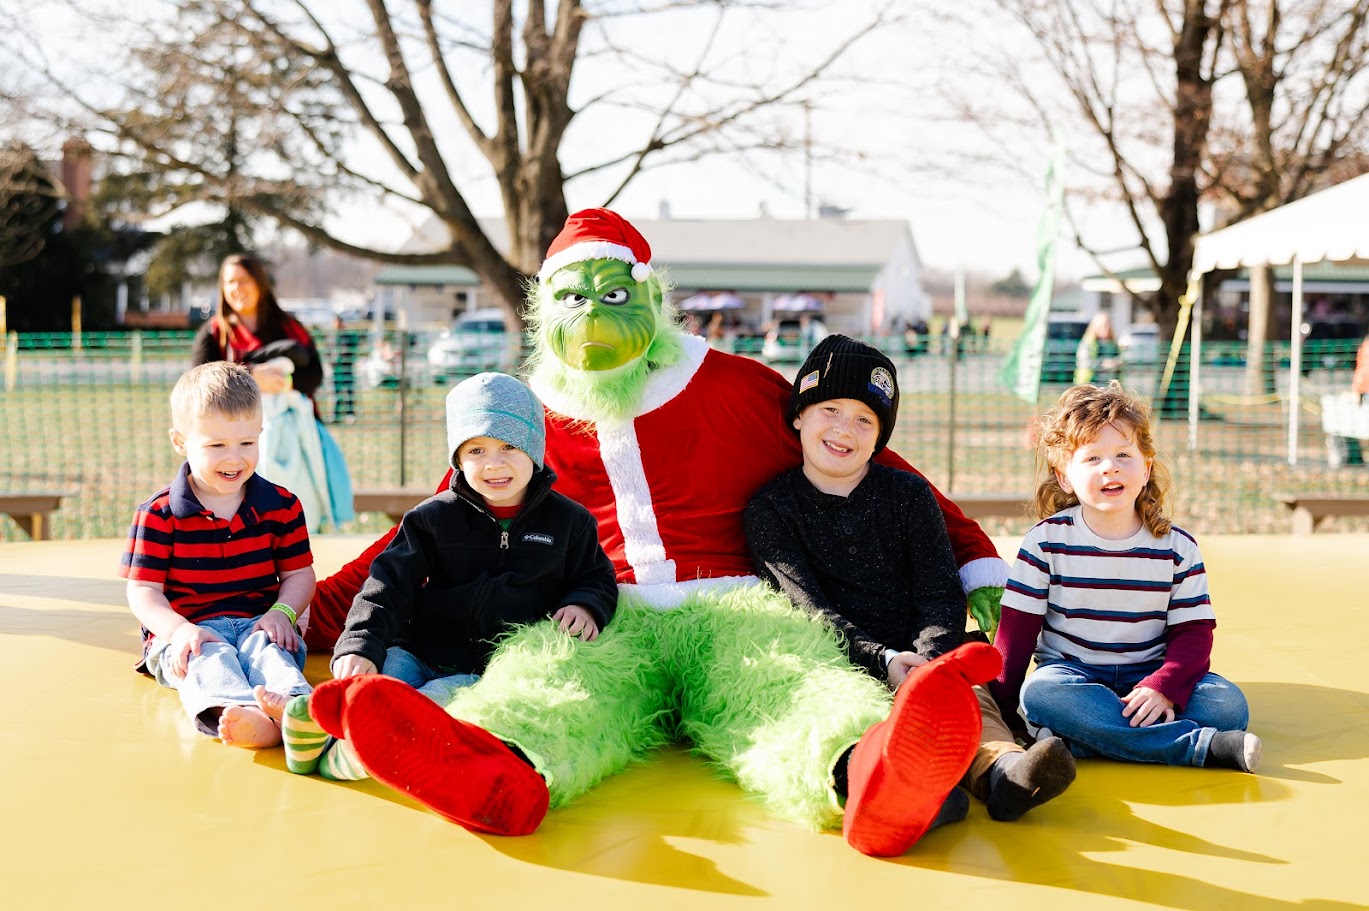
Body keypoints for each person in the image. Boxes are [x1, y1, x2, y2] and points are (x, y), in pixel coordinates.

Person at [301, 209, 1009, 857]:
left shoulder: (732, 386)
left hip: (731, 609)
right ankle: (493, 766)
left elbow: (874, 463)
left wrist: (973, 555)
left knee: (790, 687)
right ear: (546, 309)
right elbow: (430, 531)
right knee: (546, 680)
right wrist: (304, 615)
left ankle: (868, 771)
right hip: (602, 612)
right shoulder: (527, 425)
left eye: (610, 296)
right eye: (571, 299)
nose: (590, 315)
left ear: (649, 297)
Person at [745, 335, 1076, 824]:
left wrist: (929, 659)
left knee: (969, 700)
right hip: (838, 659)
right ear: (800, 414)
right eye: (830, 410)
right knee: (851, 714)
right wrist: (882, 661)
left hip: (923, 653)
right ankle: (911, 785)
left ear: (880, 435)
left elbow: (938, 588)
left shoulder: (908, 495)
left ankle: (1004, 771)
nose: (844, 429)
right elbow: (806, 609)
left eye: (864, 419)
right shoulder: (770, 508)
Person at [282, 372, 618, 780]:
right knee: (377, 684)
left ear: (536, 447)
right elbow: (386, 585)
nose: (494, 463)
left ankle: (354, 754)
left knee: (427, 705)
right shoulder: (433, 518)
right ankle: (315, 728)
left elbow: (597, 576)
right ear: (458, 458)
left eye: (509, 446)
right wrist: (360, 645)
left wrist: (584, 604)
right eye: (477, 449)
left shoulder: (569, 522)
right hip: (417, 647)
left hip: (482, 666)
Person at [990, 382, 1262, 773]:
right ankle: (1198, 748)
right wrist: (1006, 712)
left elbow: (1194, 633)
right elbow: (1016, 633)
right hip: (1074, 677)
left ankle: (1083, 739)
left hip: (1150, 673)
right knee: (1040, 694)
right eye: (1092, 458)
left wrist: (1164, 686)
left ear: (1146, 467)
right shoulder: (1045, 541)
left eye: (1123, 454)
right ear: (1064, 476)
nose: (1110, 467)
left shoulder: (1177, 547)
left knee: (1228, 705)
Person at [120, 361, 315, 749]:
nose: (234, 458)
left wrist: (284, 613)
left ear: (261, 434)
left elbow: (299, 574)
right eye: (216, 446)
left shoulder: (282, 505)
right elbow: (143, 592)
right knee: (208, 657)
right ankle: (239, 714)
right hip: (189, 629)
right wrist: (177, 630)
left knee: (272, 652)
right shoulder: (158, 514)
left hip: (259, 621)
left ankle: (296, 709)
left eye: (247, 443)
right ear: (181, 442)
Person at [191, 253, 324, 403]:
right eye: (231, 282)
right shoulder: (213, 332)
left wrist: (282, 382)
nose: (237, 287)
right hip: (238, 423)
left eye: (244, 280)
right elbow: (200, 382)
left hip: (293, 419)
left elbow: (315, 374)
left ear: (259, 283)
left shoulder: (290, 326)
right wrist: (251, 376)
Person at [1074, 311, 1121, 386]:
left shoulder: (1113, 344)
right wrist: (1102, 364)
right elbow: (1084, 363)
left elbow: (1119, 359)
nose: (1106, 328)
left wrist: (1117, 362)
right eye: (1103, 325)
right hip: (1088, 385)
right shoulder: (1088, 343)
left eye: (1108, 325)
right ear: (1095, 326)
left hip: (1109, 386)